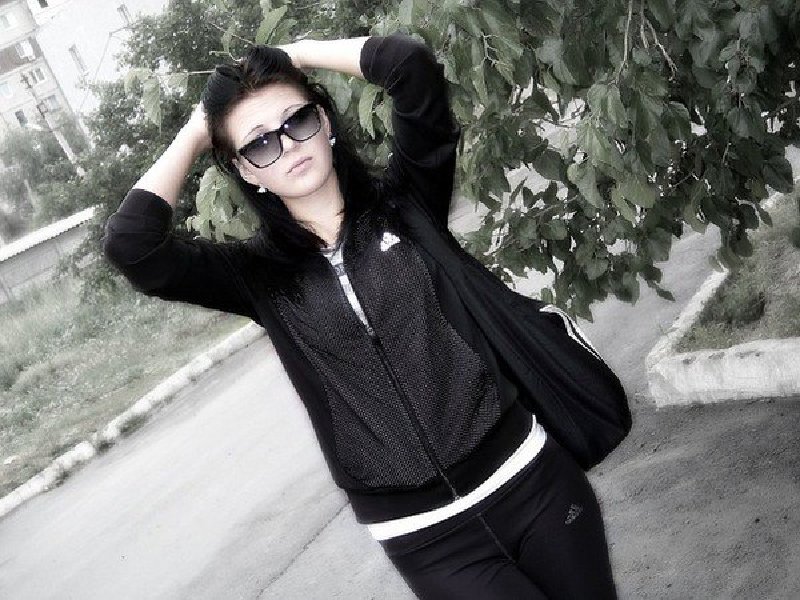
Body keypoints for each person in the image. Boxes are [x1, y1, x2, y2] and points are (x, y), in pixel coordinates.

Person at [103, 31, 627, 599]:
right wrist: (198, 128)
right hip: (428, 539)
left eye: (298, 120)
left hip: (531, 481)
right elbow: (133, 246)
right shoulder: (255, 275)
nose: (288, 145)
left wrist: (297, 55)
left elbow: (410, 67)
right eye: (260, 144)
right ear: (246, 170)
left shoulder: (407, 204)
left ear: (325, 122)